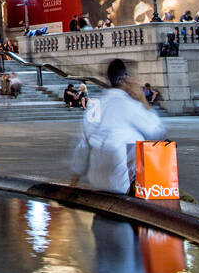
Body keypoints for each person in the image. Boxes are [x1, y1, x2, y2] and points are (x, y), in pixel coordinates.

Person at [69, 58, 165, 194]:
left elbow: (83, 146)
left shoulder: (95, 107)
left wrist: (74, 180)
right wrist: (142, 98)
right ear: (124, 79)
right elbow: (157, 131)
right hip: (124, 188)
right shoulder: (129, 105)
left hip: (98, 185)